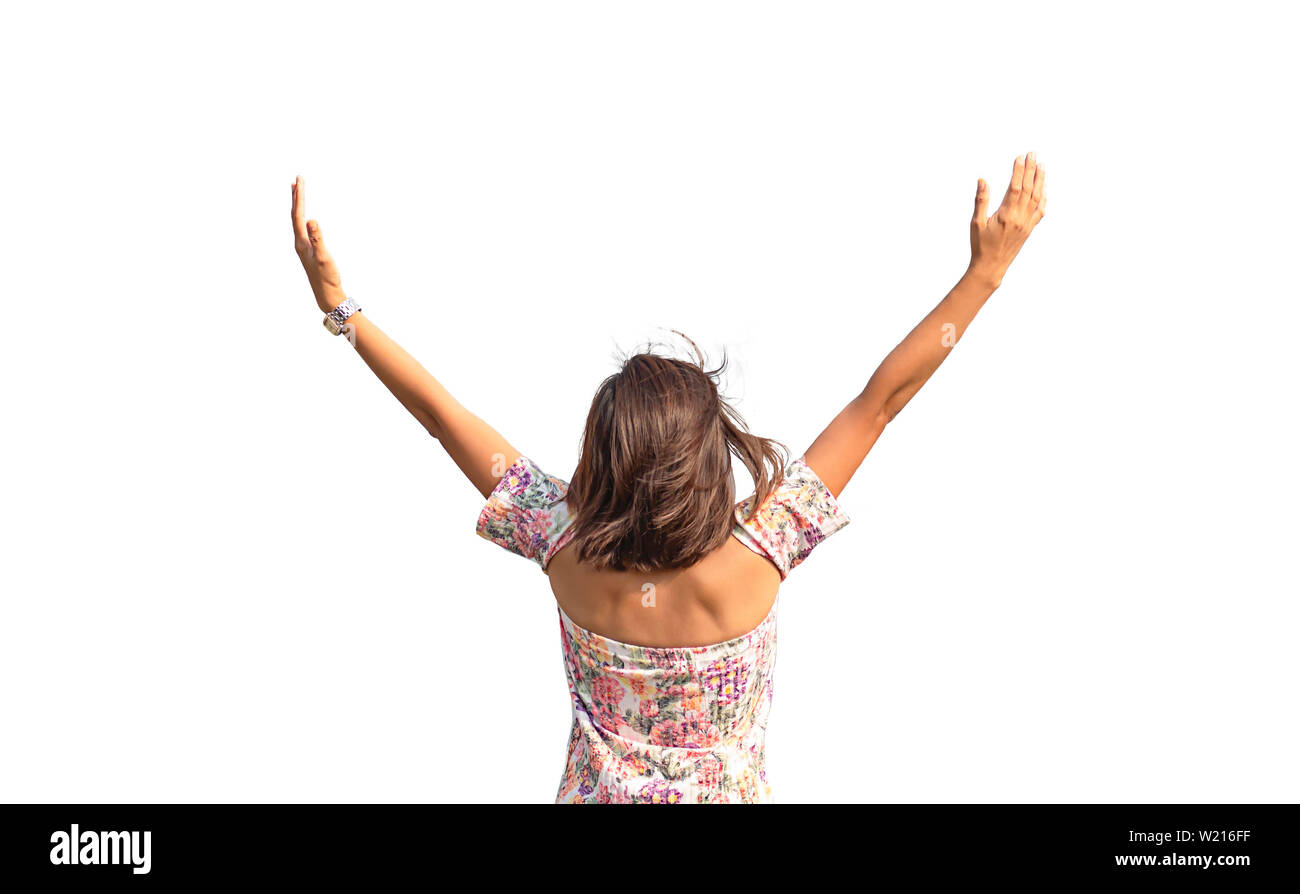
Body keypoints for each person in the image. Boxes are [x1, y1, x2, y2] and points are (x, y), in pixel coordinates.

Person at [289, 153, 1046, 802]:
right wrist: (986, 272)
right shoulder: (760, 553)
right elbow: (879, 405)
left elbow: (439, 415)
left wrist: (342, 311)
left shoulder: (561, 543)